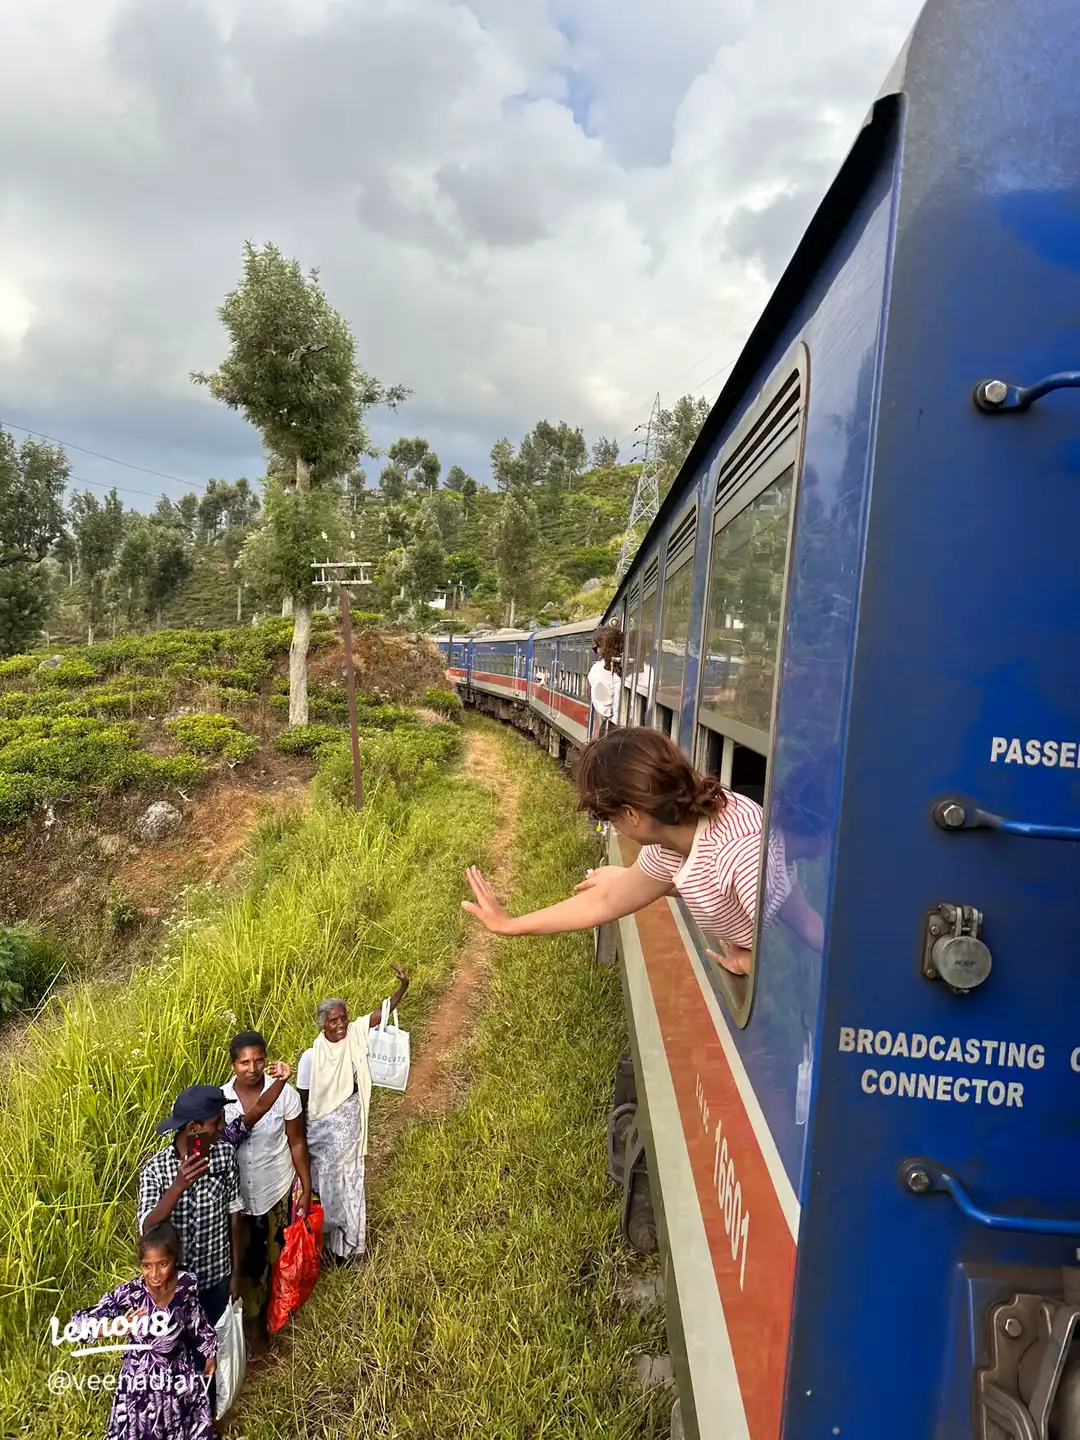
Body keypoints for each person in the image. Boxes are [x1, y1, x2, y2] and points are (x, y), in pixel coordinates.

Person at [462, 727, 822, 974]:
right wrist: (512, 925)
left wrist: (748, 963)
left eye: (609, 817)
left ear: (632, 815)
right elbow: (606, 902)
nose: (613, 826)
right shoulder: (673, 837)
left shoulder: (741, 856)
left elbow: (792, 950)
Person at [137, 1081, 286, 1383]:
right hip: (175, 1287)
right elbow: (147, 1228)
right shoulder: (155, 1170)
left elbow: (234, 1215)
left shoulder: (224, 1156)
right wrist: (177, 1187)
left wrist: (234, 1274)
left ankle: (211, 1401)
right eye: (216, 1123)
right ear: (194, 1128)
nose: (222, 1128)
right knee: (179, 1352)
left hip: (217, 1276)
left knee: (213, 1350)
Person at [296, 964, 409, 1264]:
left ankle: (348, 1246)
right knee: (325, 1188)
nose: (340, 1025)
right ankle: (323, 1247)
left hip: (351, 1130)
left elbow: (381, 1014)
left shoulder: (356, 1035)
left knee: (350, 1184)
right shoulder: (311, 1058)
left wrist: (403, 987)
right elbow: (301, 1102)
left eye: (343, 1018)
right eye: (333, 1021)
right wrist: (300, 1140)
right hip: (322, 1137)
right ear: (323, 1025)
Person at [66, 1221, 216, 1440]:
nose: (154, 1274)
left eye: (162, 1264)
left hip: (178, 1382)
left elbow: (196, 1320)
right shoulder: (132, 1293)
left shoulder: (185, 1285)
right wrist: (111, 1327)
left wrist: (210, 1352)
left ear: (174, 1259)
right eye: (146, 1266)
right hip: (140, 1387)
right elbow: (77, 1325)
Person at [222, 1035, 312, 1352]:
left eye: (259, 1060)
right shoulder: (222, 1102)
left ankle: (274, 1315)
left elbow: (297, 1142)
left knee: (277, 1255)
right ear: (233, 1064)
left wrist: (306, 1187)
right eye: (244, 1062)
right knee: (246, 1261)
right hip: (238, 1199)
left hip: (275, 1189)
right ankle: (253, 1323)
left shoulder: (286, 1095)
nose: (252, 1068)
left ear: (266, 1059)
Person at [587, 625, 623, 734]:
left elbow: (604, 707)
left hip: (612, 727)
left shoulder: (597, 671)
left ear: (601, 649)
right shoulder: (644, 668)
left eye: (597, 647)